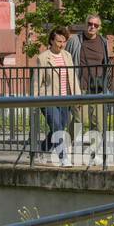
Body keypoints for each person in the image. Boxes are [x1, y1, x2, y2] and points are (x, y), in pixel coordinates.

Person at [31, 28, 79, 159]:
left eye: (64, 41)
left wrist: (77, 97)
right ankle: (63, 157)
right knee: (57, 126)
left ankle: (42, 149)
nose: (61, 44)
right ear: (51, 41)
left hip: (65, 98)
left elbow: (72, 77)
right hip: (48, 99)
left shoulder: (67, 56)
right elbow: (37, 81)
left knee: (59, 128)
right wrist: (34, 100)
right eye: (59, 41)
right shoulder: (43, 58)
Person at [66, 13, 111, 129]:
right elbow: (66, 60)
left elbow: (106, 64)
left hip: (98, 87)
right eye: (90, 24)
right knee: (81, 120)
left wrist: (106, 83)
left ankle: (95, 142)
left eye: (96, 25)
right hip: (80, 87)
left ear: (99, 27)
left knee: (99, 123)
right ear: (85, 24)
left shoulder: (104, 42)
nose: (92, 27)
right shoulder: (75, 40)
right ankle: (69, 139)